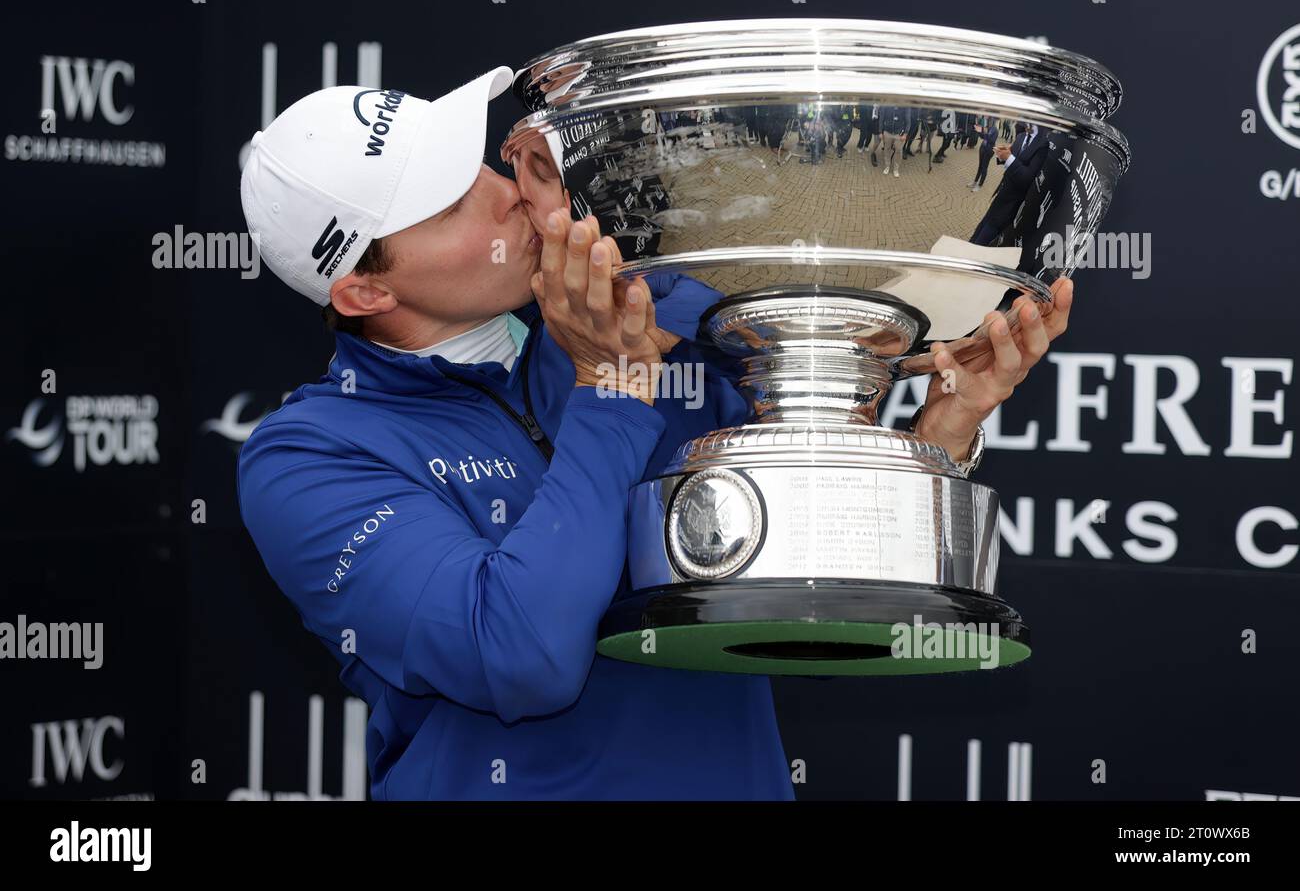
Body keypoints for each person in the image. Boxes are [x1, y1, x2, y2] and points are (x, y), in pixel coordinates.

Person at [237, 70, 1073, 800]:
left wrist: (944, 426)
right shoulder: (308, 456)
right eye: (454, 203)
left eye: (479, 166)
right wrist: (614, 387)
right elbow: (522, 659)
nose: (505, 193)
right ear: (364, 294)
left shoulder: (649, 311)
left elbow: (814, 579)